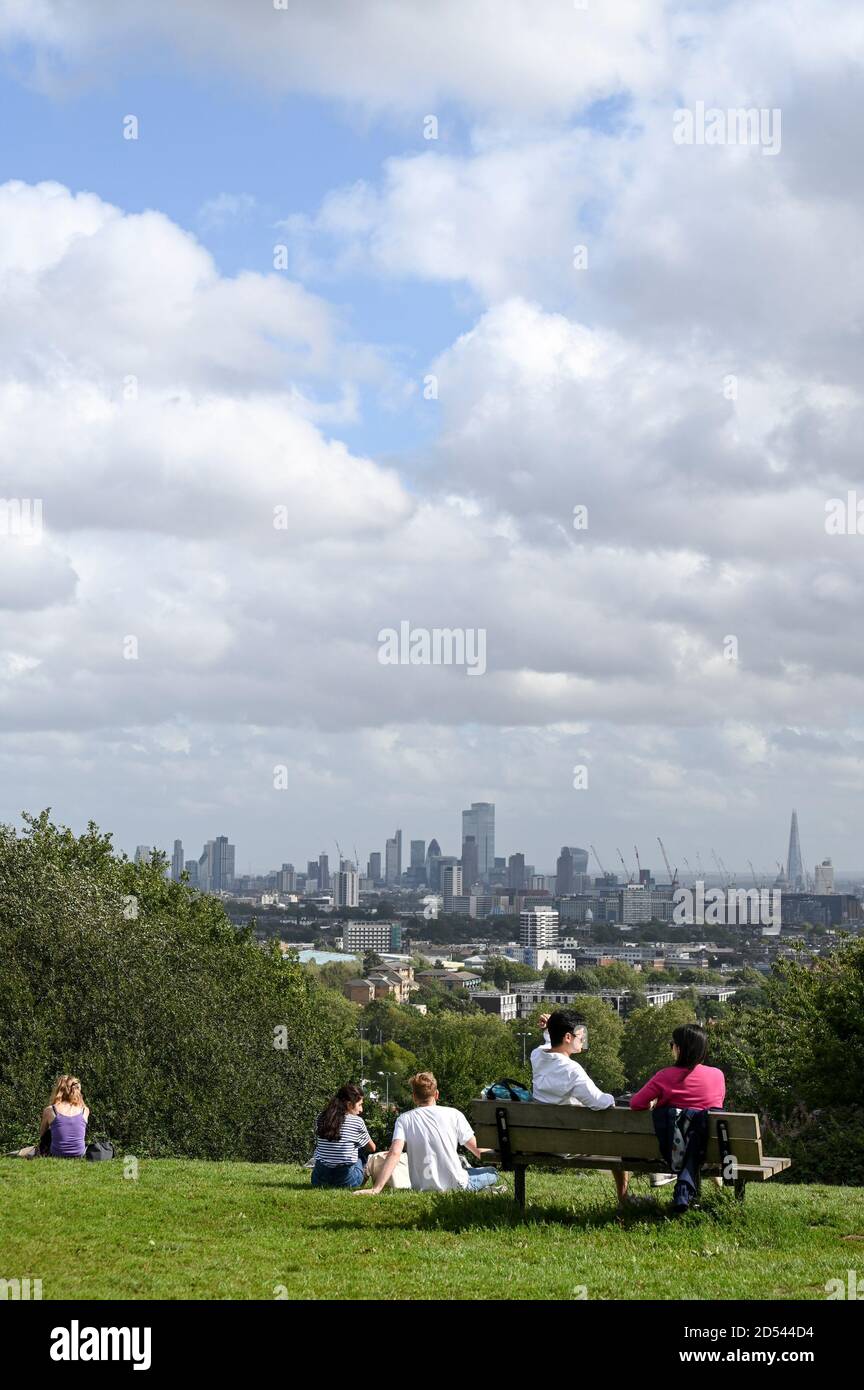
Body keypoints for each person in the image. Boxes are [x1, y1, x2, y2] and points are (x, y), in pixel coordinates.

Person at [532, 1011, 633, 1205]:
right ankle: (624, 1200)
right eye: (581, 1034)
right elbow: (599, 1102)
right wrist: (616, 1098)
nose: (584, 1038)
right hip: (567, 1145)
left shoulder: (536, 1056)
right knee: (618, 1143)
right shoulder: (572, 1070)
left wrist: (549, 1030)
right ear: (568, 1037)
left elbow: (549, 1047)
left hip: (539, 1141)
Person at [354, 1071, 503, 1195]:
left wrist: (376, 1188)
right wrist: (503, 1157)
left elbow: (394, 1153)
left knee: (469, 1171)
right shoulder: (454, 1114)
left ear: (414, 1097)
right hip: (458, 1184)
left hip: (422, 1187)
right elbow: (478, 1151)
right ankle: (483, 1188)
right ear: (436, 1094)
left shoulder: (404, 1119)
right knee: (491, 1173)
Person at [630, 1023, 726, 1193]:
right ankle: (719, 1194)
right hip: (712, 1152)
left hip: (673, 1152)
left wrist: (653, 1103)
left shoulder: (664, 1076)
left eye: (672, 1045)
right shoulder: (717, 1075)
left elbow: (636, 1103)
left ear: (679, 1049)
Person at [311, 1083, 376, 1189]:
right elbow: (372, 1148)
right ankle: (360, 1181)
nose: (361, 1110)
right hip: (346, 1181)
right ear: (349, 1105)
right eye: (360, 1105)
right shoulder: (357, 1121)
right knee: (360, 1149)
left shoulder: (321, 1117)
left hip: (318, 1180)